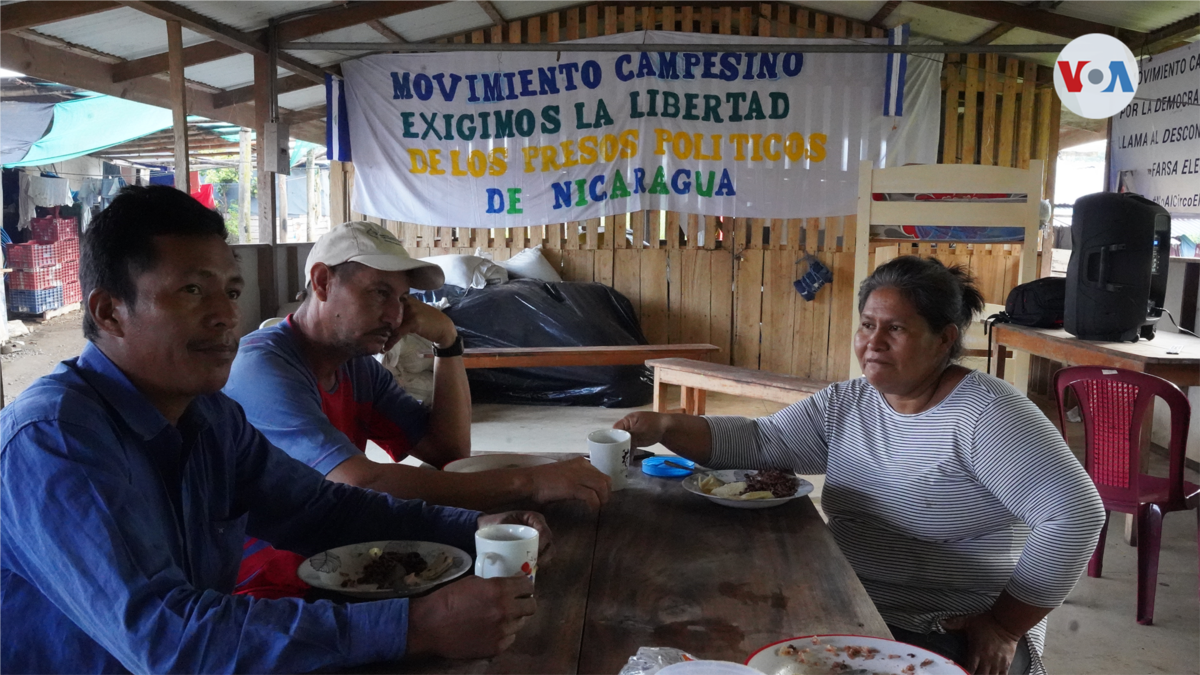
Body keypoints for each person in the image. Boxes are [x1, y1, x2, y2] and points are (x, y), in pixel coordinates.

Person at [0, 185, 550, 673]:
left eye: (232, 292)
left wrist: (473, 528)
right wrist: (413, 626)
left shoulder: (210, 418)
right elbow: (169, 639)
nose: (225, 315)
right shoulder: (54, 441)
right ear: (109, 311)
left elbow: (325, 510)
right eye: (193, 290)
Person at [615, 256, 1105, 675]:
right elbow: (763, 441)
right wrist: (664, 427)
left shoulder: (985, 414)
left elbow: (1075, 516)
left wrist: (1004, 624)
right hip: (848, 602)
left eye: (896, 329)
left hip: (948, 624)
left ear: (943, 340)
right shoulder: (849, 403)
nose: (874, 342)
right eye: (868, 325)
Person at [223, 220, 609, 597]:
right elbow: (357, 482)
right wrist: (531, 482)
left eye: (402, 298)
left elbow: (448, 453)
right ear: (323, 282)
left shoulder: (356, 366)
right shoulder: (262, 365)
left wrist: (449, 342)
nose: (395, 314)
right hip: (266, 589)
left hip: (344, 560)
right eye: (379, 293)